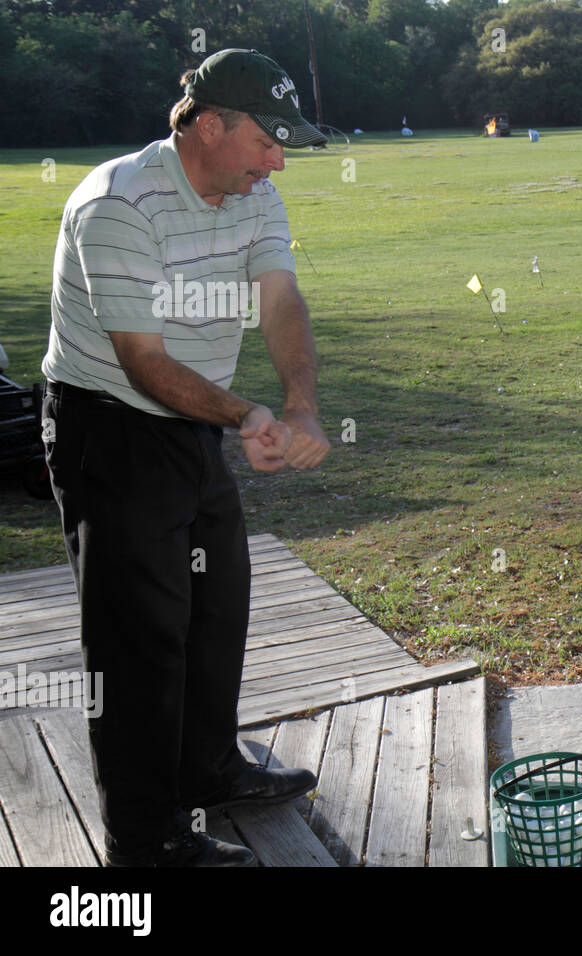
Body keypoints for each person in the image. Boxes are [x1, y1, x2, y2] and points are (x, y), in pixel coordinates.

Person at [41, 48, 331, 866]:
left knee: (214, 605)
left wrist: (301, 401)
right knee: (139, 636)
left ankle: (207, 772)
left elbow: (280, 300)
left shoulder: (253, 193)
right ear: (212, 126)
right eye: (269, 142)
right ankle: (145, 837)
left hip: (193, 422)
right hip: (112, 425)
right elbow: (144, 363)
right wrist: (249, 414)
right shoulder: (117, 204)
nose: (278, 161)